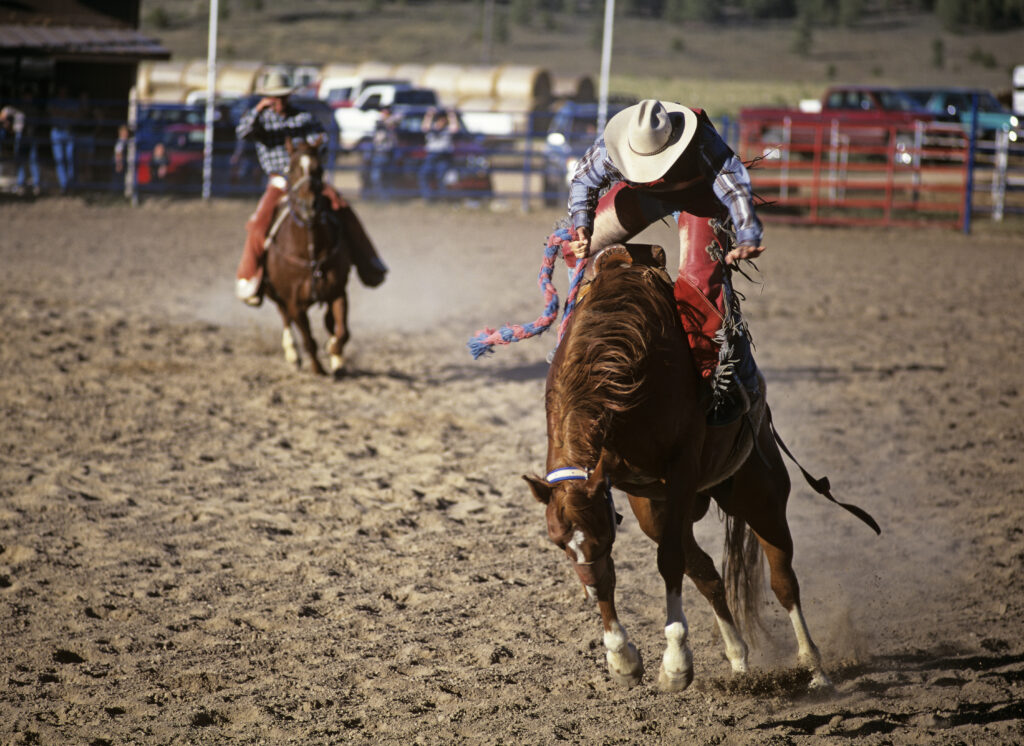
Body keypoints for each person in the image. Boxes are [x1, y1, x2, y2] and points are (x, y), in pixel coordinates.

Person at [564, 99, 765, 425]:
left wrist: (747, 234)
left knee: (700, 288)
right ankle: (578, 343)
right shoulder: (610, 149)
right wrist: (582, 223)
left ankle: (719, 377)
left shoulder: (702, 143)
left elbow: (734, 186)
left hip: (700, 200)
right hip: (645, 195)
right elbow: (584, 181)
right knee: (575, 250)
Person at [234, 77, 387, 305]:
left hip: (308, 179)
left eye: (283, 97)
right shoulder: (261, 121)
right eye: (275, 98)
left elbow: (322, 139)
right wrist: (258, 110)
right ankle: (248, 277)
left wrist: (315, 144)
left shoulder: (303, 117)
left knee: (343, 209)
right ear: (267, 98)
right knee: (258, 224)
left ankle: (369, 263)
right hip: (279, 182)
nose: (280, 102)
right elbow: (243, 132)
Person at [0, 92, 41, 195]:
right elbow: (4, 114)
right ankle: (20, 184)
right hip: (20, 136)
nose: (27, 98)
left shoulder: (34, 109)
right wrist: (7, 124)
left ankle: (36, 185)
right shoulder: (16, 108)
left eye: (29, 96)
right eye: (26, 96)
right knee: (20, 161)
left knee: (33, 160)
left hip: (30, 136)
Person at [418, 107, 458, 200]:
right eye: (439, 120)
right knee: (424, 175)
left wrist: (451, 114)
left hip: (443, 156)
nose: (441, 122)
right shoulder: (431, 129)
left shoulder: (447, 130)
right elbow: (424, 127)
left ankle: (442, 198)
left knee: (441, 178)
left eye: (443, 120)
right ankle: (428, 197)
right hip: (431, 156)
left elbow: (455, 128)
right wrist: (429, 114)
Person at [48, 85, 78, 194]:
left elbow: (76, 115)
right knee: (59, 159)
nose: (63, 93)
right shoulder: (53, 101)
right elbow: (53, 113)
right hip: (57, 131)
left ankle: (71, 183)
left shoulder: (72, 102)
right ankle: (64, 185)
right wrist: (66, 113)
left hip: (68, 131)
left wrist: (61, 113)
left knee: (70, 158)